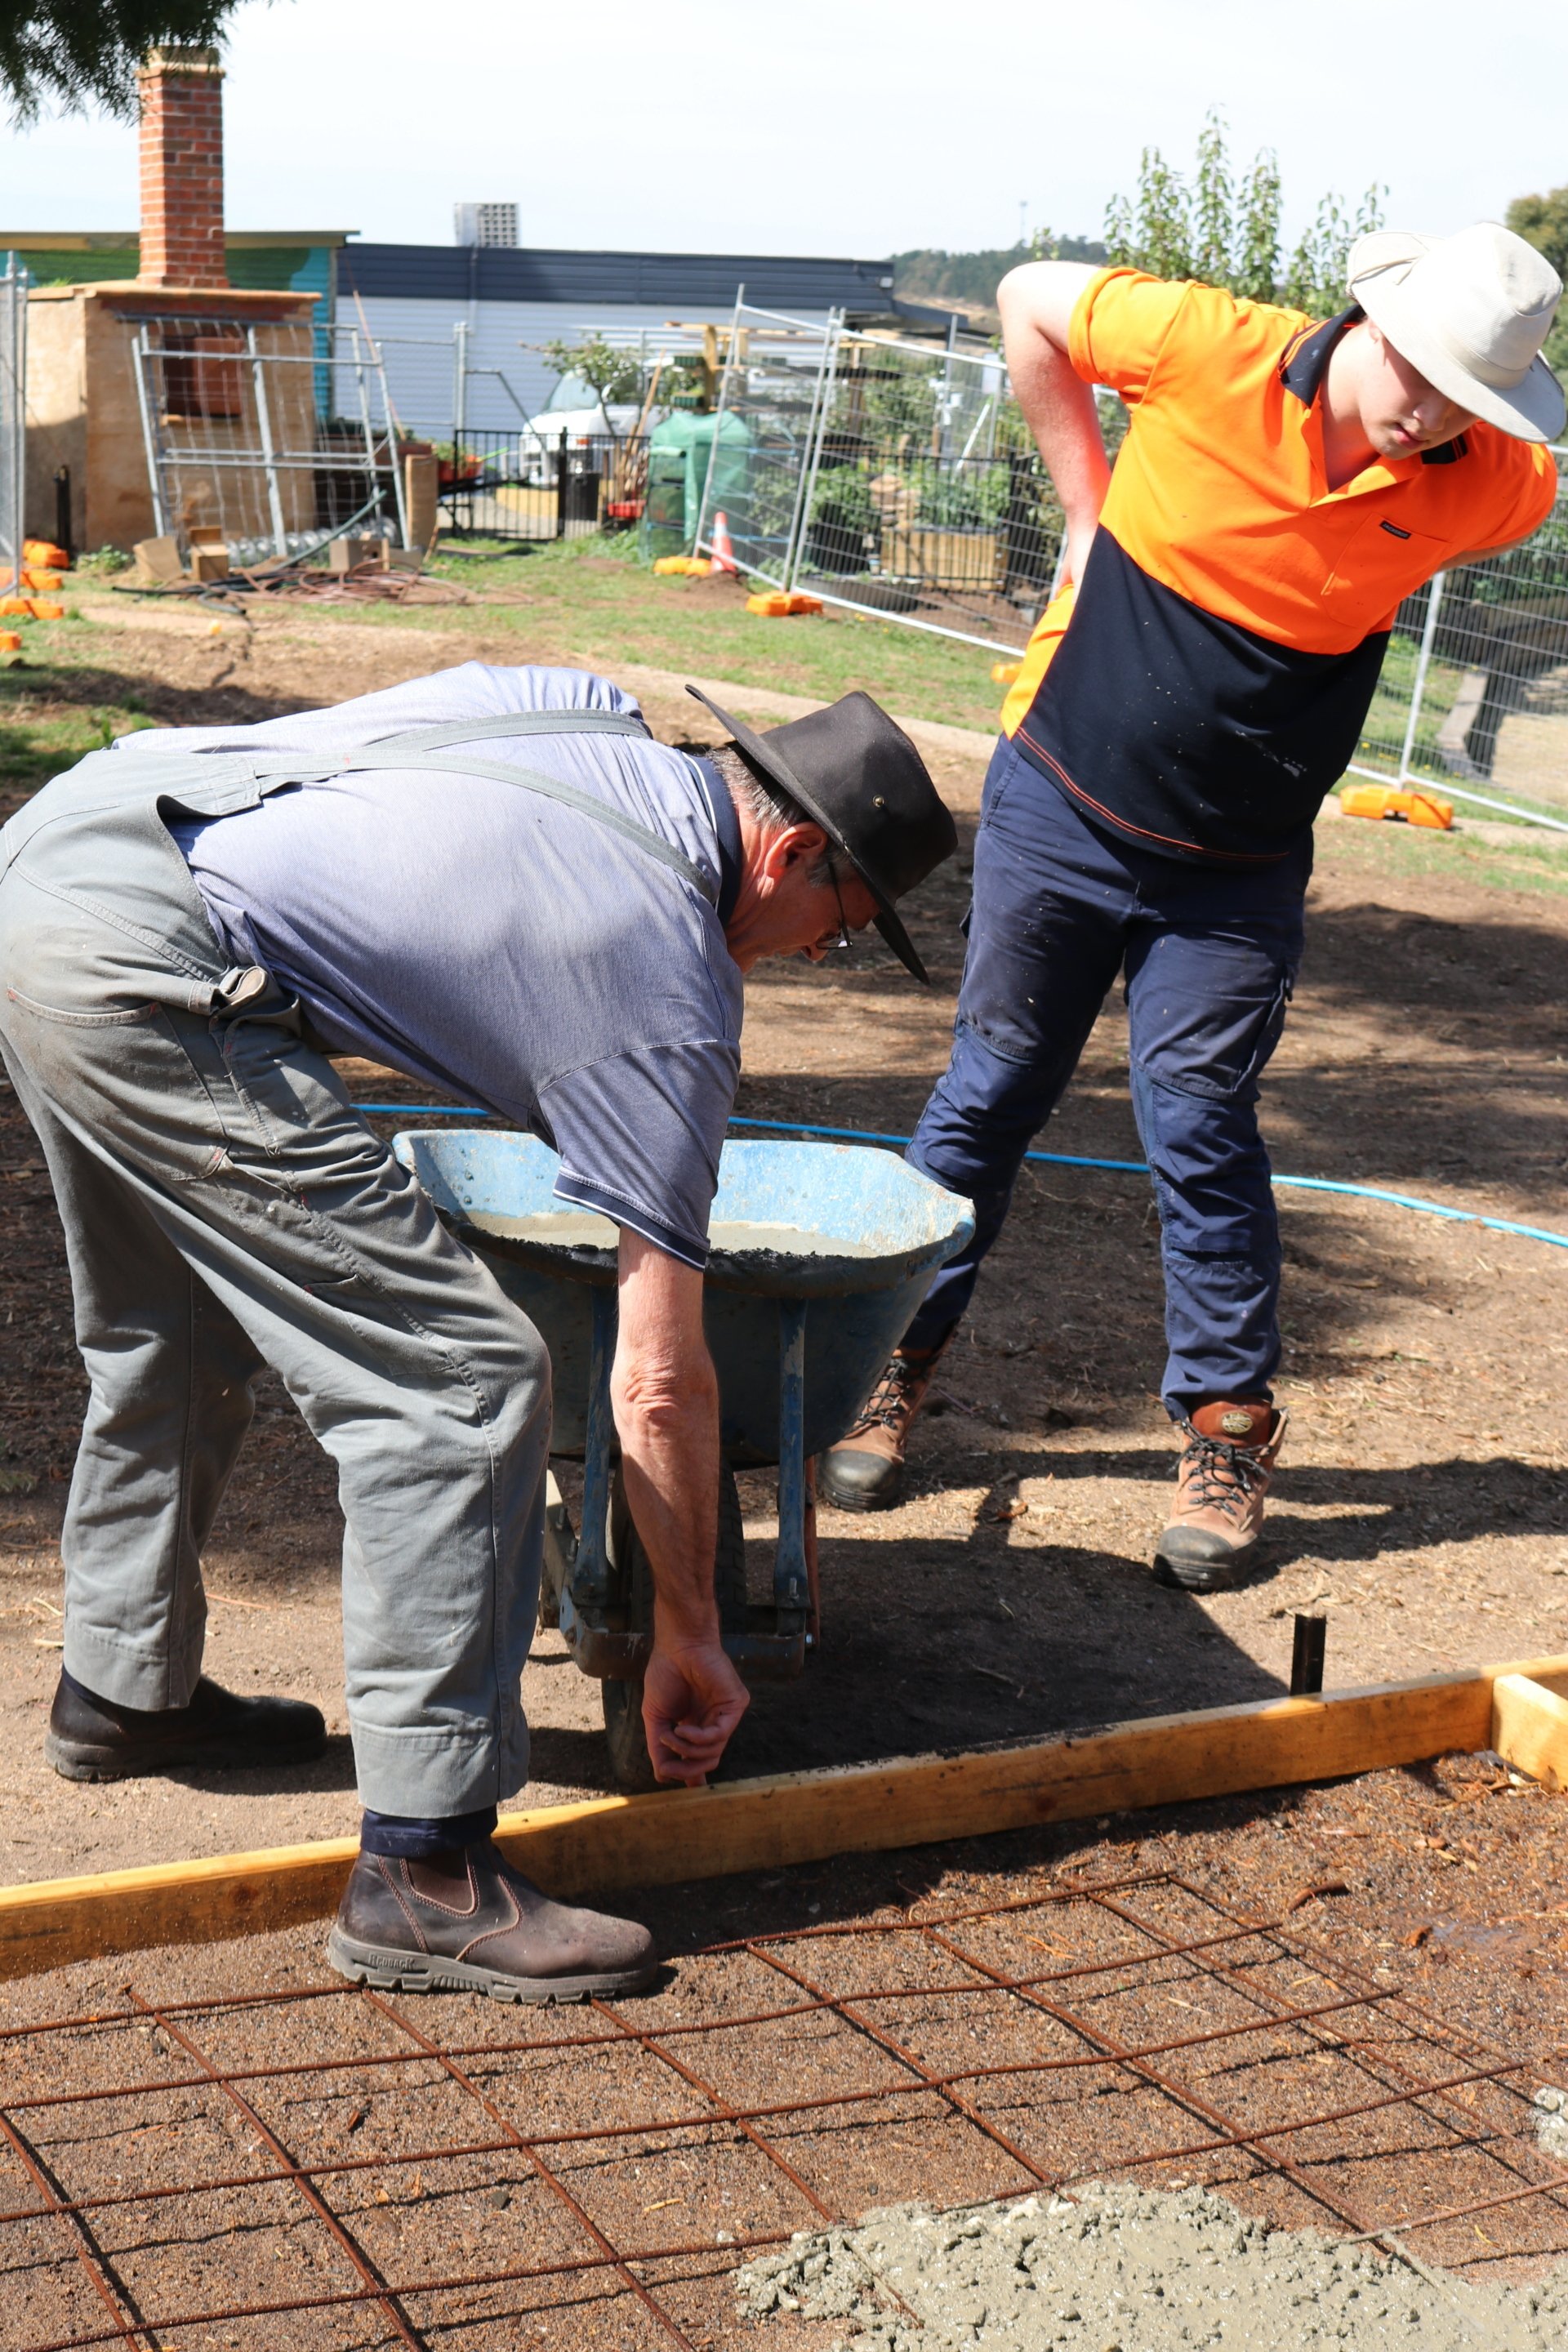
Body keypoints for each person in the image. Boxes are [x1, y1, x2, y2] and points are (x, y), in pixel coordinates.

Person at [0, 661, 955, 2002]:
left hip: (68, 849)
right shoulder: (666, 994)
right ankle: (425, 1870)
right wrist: (692, 1629)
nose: (818, 953)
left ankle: (122, 1685)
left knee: (172, 1324)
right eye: (841, 926)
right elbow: (662, 1383)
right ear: (789, 850)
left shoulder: (582, 704)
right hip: (153, 960)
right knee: (465, 1381)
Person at [822, 222, 1562, 1589]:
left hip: (1235, 870)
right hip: (1061, 802)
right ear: (1372, 319)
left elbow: (1514, 485)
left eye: (1472, 396)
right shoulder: (1208, 347)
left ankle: (1227, 1427)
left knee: (1200, 1124)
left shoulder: (1492, 483)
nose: (1432, 414)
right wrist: (1088, 508)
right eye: (1427, 374)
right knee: (987, 1093)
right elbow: (1029, 301)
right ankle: (881, 1370)